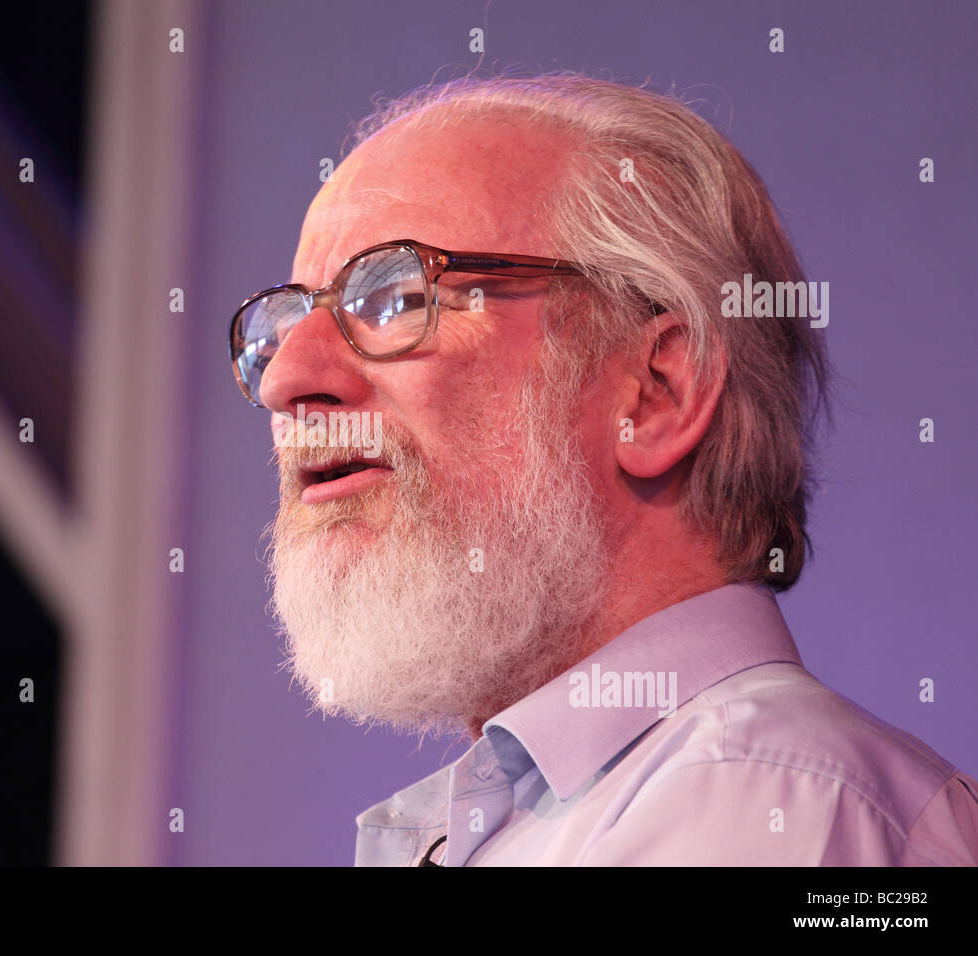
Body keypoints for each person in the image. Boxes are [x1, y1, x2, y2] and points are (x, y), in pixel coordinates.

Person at [227, 73, 978, 865]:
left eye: (395, 296)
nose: (284, 381)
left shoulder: (768, 804)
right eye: (282, 324)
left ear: (656, 395)